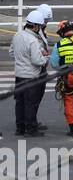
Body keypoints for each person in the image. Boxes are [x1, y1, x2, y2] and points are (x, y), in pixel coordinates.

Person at [9, 10, 51, 138]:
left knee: (20, 102)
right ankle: (31, 128)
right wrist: (46, 58)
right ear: (36, 26)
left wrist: (22, 59)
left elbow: (11, 52)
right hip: (32, 76)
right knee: (31, 103)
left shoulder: (17, 35)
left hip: (19, 74)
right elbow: (37, 60)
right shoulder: (33, 40)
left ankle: (20, 127)